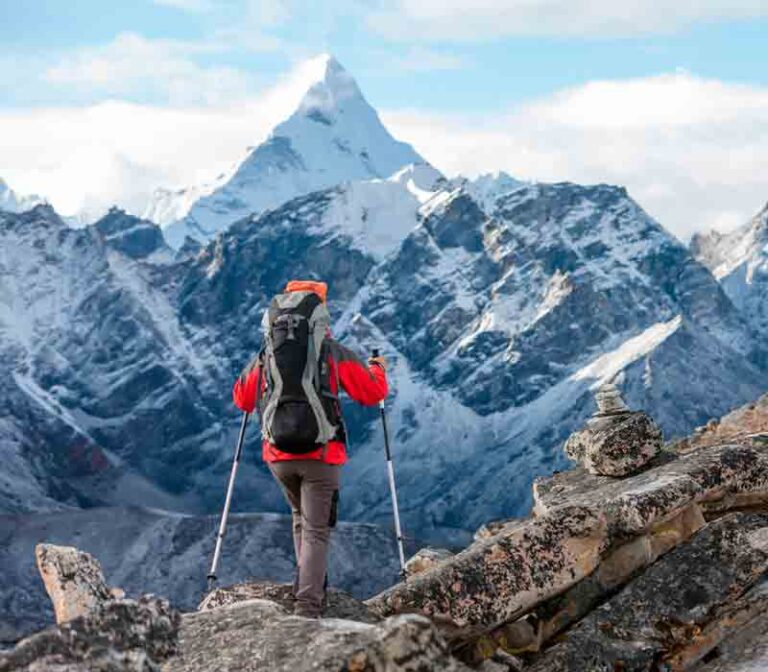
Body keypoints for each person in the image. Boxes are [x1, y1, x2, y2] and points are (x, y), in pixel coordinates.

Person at [232, 280, 388, 618]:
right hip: (321, 454)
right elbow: (371, 394)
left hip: (278, 455)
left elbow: (242, 399)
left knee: (300, 520)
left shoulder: (266, 355)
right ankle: (307, 607)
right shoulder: (332, 352)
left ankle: (306, 585)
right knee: (317, 529)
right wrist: (378, 370)